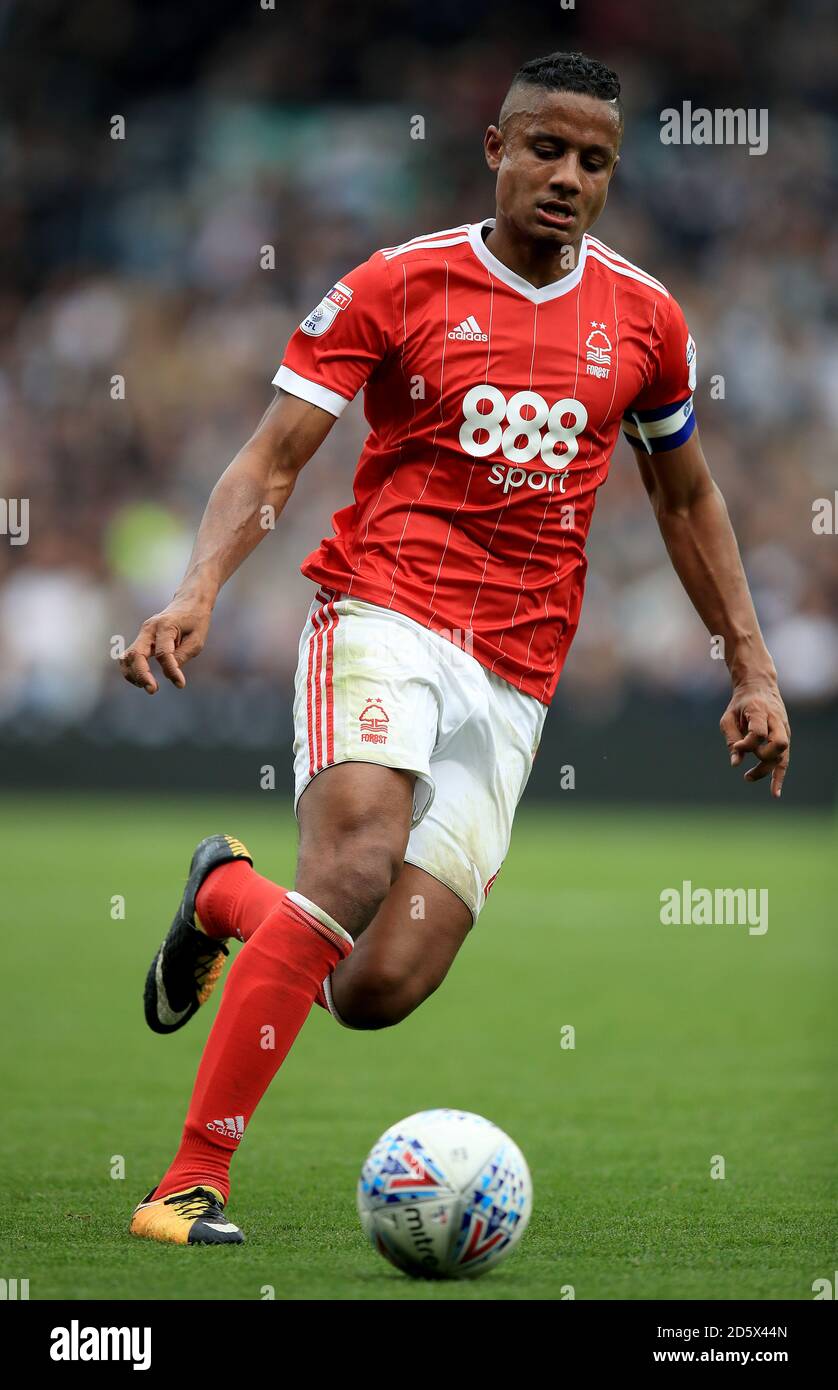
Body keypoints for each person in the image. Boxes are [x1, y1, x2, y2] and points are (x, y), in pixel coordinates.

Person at [121, 50, 790, 1245]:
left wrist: (749, 662)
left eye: (593, 160)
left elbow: (687, 501)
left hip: (518, 671)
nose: (566, 176)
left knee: (376, 989)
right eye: (545, 148)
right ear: (495, 148)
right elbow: (276, 457)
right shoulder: (397, 285)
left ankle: (224, 892)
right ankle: (188, 1180)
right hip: (381, 608)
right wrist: (197, 588)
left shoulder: (645, 319)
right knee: (352, 860)